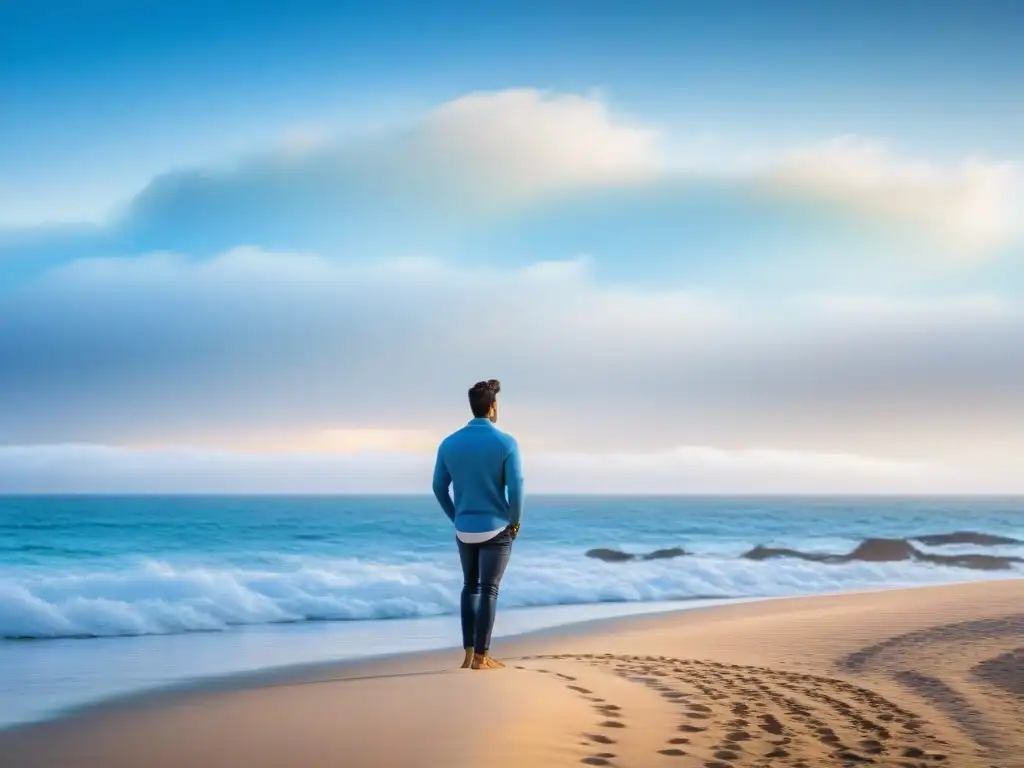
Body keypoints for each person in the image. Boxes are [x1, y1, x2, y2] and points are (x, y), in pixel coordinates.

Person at [432, 379, 524, 670]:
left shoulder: (449, 443)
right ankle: (483, 659)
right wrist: (515, 521)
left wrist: (456, 516)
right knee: (488, 589)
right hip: (496, 527)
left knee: (469, 586)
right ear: (493, 407)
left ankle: (469, 655)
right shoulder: (506, 442)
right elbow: (516, 486)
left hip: (464, 528)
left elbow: (438, 487)